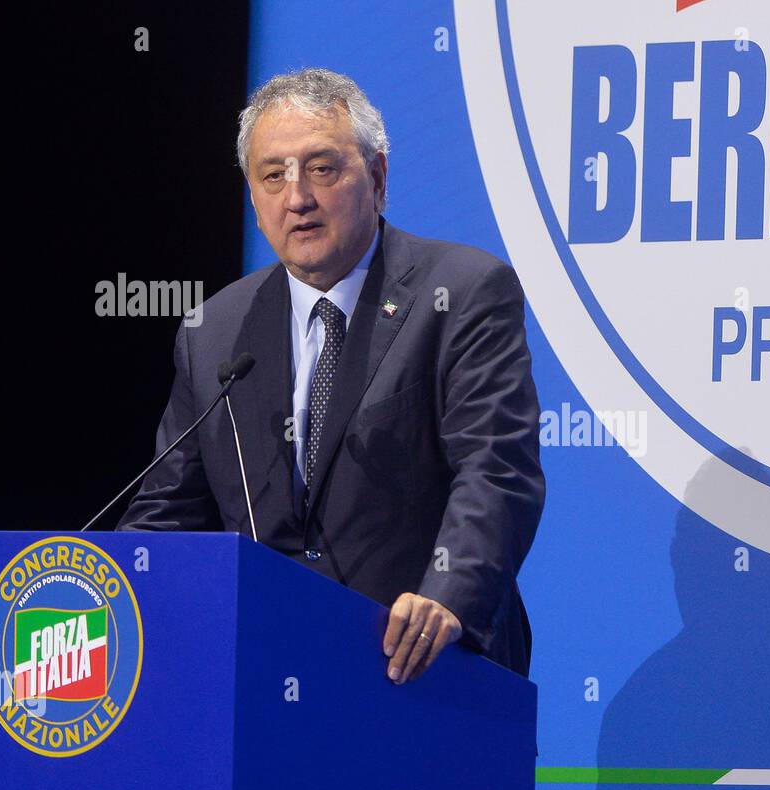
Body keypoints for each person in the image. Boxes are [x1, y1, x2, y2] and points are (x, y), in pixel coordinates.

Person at [116, 67, 545, 683]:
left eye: (321, 168)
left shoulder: (462, 292)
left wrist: (447, 599)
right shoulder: (214, 331)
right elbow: (169, 514)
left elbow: (495, 469)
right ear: (253, 196)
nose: (297, 198)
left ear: (377, 177)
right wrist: (109, 598)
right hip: (267, 674)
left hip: (423, 671)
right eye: (273, 175)